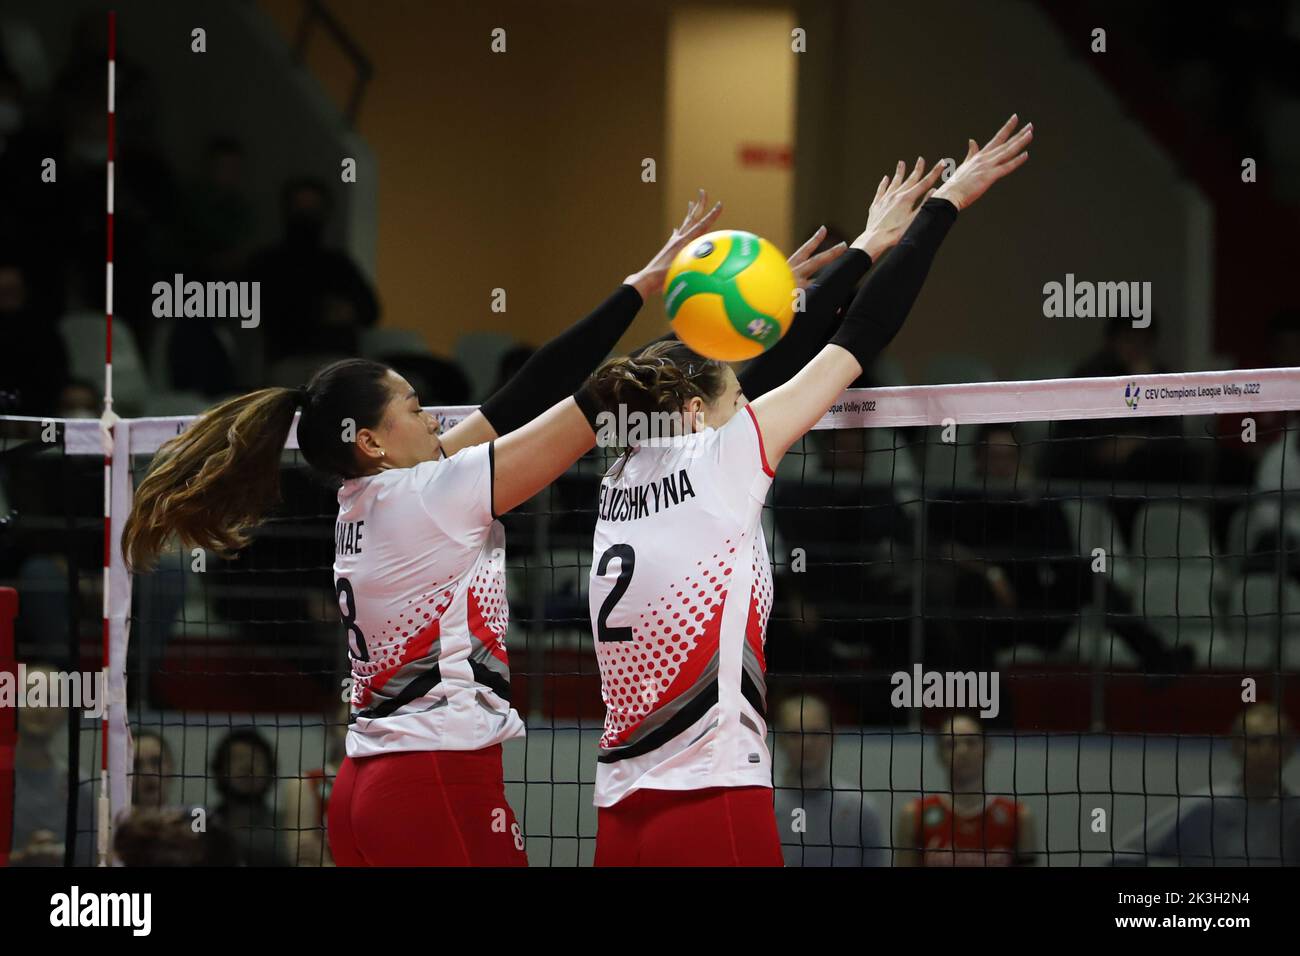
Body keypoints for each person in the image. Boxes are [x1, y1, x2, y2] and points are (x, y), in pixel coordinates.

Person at [121, 190, 725, 865]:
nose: (434, 418)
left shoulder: (369, 496)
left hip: (365, 789)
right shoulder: (436, 492)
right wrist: (717, 325)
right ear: (373, 441)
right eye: (414, 407)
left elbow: (523, 393)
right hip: (436, 779)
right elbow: (593, 397)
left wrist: (637, 286)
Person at [579, 116, 1033, 865]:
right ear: (698, 415)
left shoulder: (619, 471)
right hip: (711, 798)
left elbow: (775, 356)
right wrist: (939, 209)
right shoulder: (725, 454)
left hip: (621, 808)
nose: (750, 396)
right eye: (735, 392)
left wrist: (860, 250)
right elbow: (855, 339)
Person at [1114, 702, 1300, 866]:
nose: (1266, 751)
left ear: (1290, 748)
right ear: (1236, 746)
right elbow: (1125, 855)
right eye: (1254, 741)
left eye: (1276, 741)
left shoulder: (1295, 811)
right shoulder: (1204, 806)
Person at [894, 711, 1035, 866]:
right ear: (939, 754)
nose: (962, 751)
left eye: (971, 742)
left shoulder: (1019, 816)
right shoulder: (914, 815)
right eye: (951, 744)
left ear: (987, 749)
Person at [772, 694, 886, 866]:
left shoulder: (861, 810)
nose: (806, 743)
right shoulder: (764, 806)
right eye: (795, 734)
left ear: (832, 736)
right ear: (780, 739)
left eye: (816, 733)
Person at [209, 729, 290, 867]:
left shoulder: (287, 825)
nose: (248, 767)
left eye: (257, 760)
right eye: (238, 759)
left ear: (270, 771)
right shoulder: (203, 821)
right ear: (220, 770)